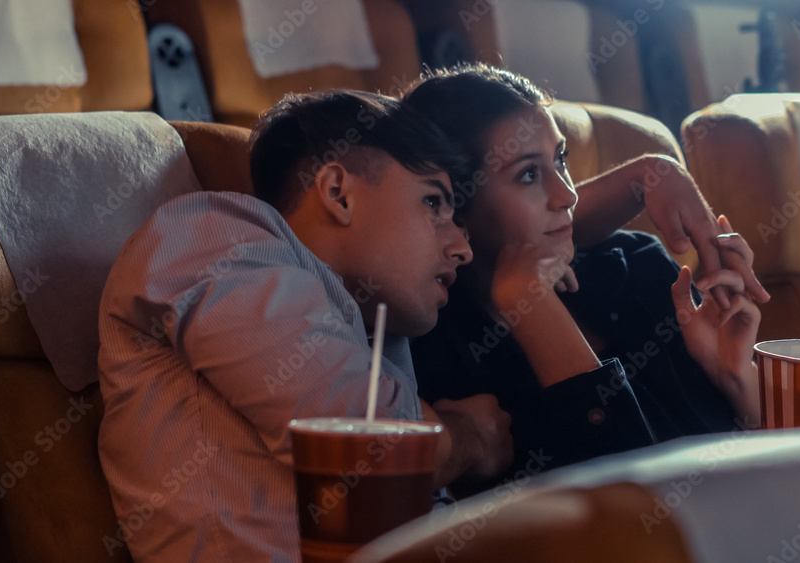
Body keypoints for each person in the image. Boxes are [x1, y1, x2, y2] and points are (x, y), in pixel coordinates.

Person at [97, 90, 514, 562]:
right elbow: (372, 449)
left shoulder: (372, 326)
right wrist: (470, 438)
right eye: (433, 202)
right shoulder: (216, 235)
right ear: (338, 192)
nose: (463, 247)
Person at [404, 64, 770, 497]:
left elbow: (767, 472)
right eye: (527, 174)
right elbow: (632, 516)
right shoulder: (440, 351)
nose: (567, 194)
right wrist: (532, 305)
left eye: (560, 160)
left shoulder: (637, 265)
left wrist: (736, 380)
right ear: (455, 207)